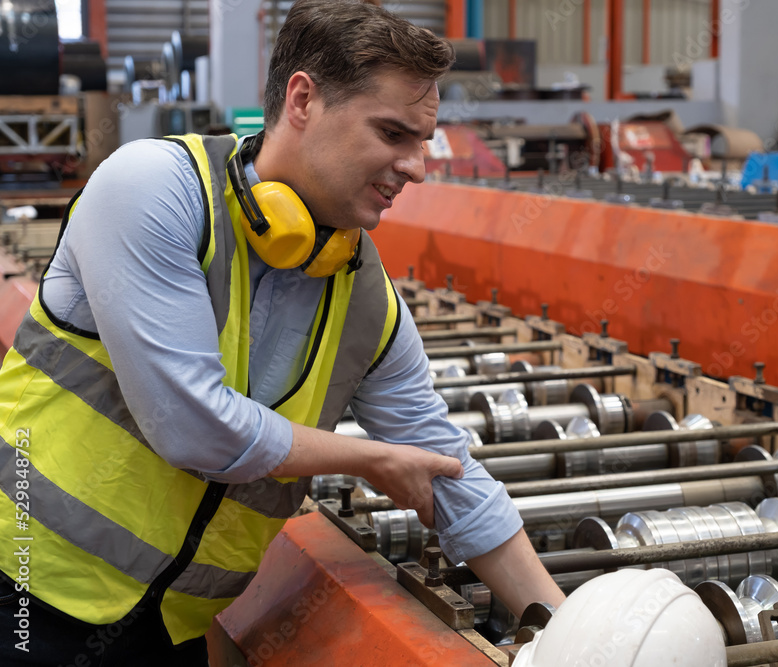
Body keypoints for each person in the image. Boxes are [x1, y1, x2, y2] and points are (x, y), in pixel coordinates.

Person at [0, 1, 565, 664]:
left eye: (423, 140)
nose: (417, 166)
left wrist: (569, 627)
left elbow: (446, 472)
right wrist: (370, 457)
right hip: (25, 591)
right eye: (393, 133)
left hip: (166, 629)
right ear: (303, 100)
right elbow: (188, 424)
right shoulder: (154, 191)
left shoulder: (365, 300)